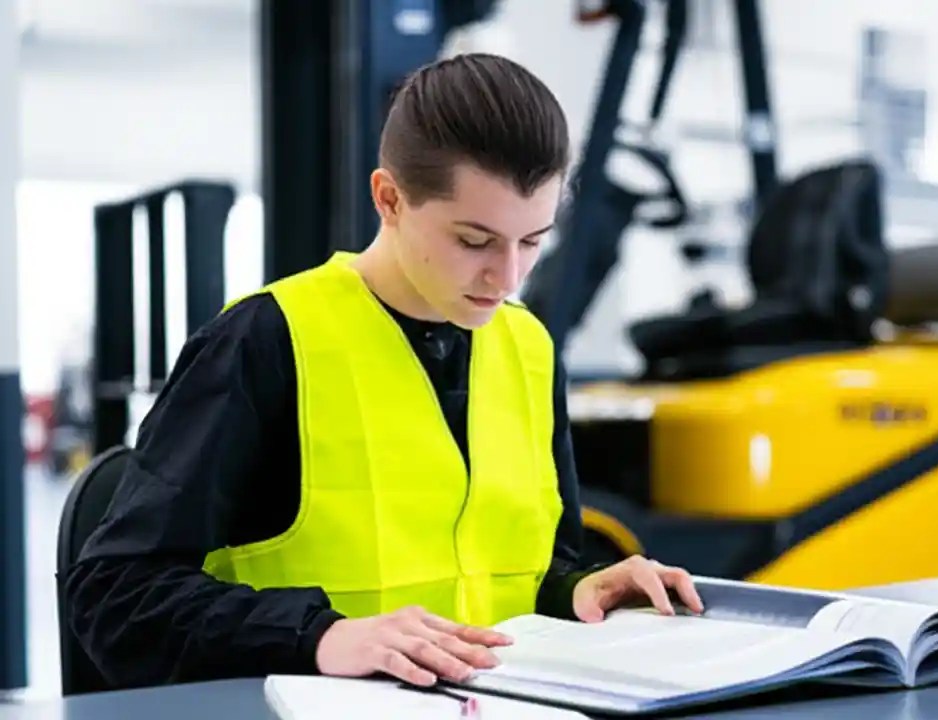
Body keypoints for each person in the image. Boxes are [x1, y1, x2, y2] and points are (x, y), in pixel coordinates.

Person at [64, 53, 704, 691]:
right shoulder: (266, 342)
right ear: (389, 198)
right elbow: (115, 596)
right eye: (475, 241)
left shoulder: (528, 349)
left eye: (532, 240)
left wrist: (578, 590)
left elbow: (518, 574)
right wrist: (319, 634)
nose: (508, 277)